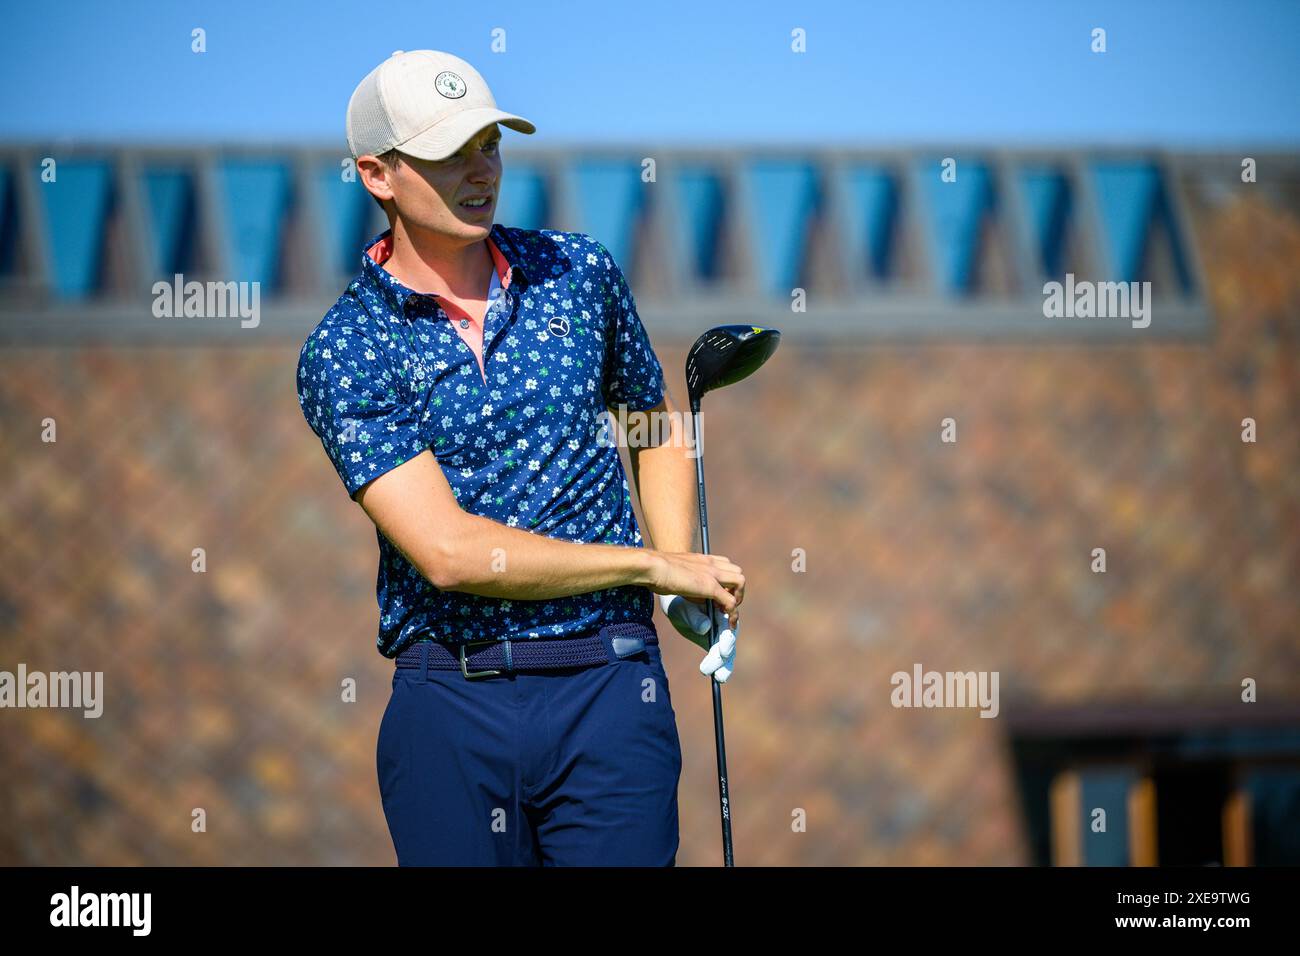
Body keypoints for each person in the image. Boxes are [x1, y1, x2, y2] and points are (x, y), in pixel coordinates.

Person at [295, 49, 744, 866]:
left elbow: (652, 422)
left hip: (610, 688)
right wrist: (651, 567)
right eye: (446, 155)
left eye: (489, 145)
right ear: (377, 174)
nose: (479, 172)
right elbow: (449, 553)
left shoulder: (578, 273)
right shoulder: (346, 349)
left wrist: (678, 561)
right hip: (449, 709)